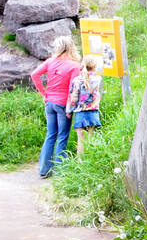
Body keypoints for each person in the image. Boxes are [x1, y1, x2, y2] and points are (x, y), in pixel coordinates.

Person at [31, 35, 80, 177]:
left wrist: (44, 94)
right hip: (63, 105)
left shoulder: (50, 62)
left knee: (51, 134)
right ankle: (60, 171)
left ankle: (43, 170)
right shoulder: (74, 66)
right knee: (63, 136)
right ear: (71, 47)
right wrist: (70, 108)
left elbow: (34, 75)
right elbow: (73, 89)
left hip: (50, 103)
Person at [66, 54, 104, 157]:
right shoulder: (98, 79)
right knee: (91, 138)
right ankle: (92, 160)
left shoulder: (77, 80)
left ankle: (80, 163)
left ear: (83, 65)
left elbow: (73, 98)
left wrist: (69, 111)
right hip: (93, 112)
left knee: (81, 140)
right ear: (95, 66)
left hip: (80, 113)